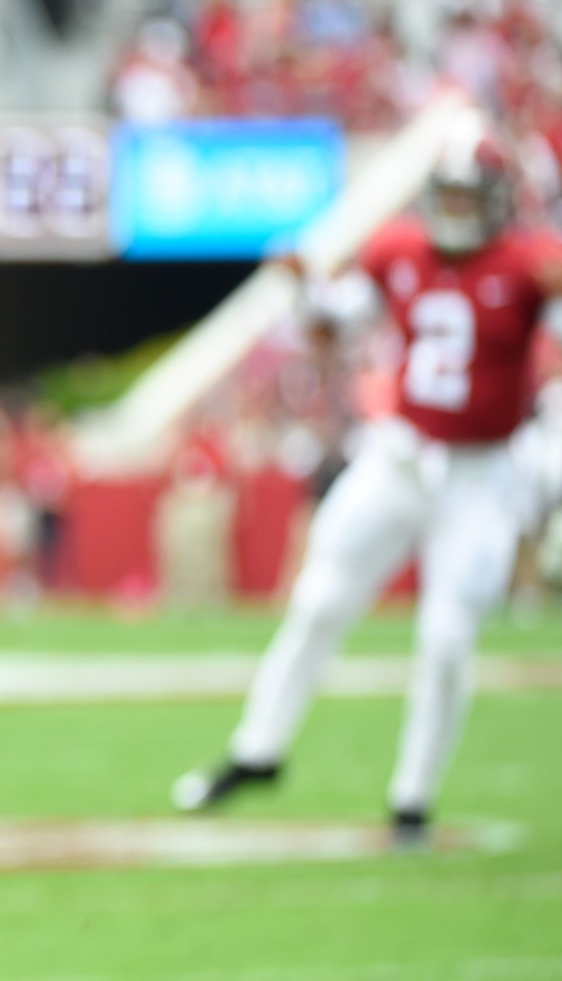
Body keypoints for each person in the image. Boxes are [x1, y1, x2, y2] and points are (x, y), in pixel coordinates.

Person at [174, 127, 562, 847]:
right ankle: (259, 751)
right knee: (319, 600)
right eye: (446, 195)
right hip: (399, 457)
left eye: (468, 197)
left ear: (499, 203)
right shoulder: (398, 252)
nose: (455, 210)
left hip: (481, 474)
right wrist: (302, 289)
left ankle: (412, 800)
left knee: (446, 639)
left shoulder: (529, 268)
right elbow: (331, 328)